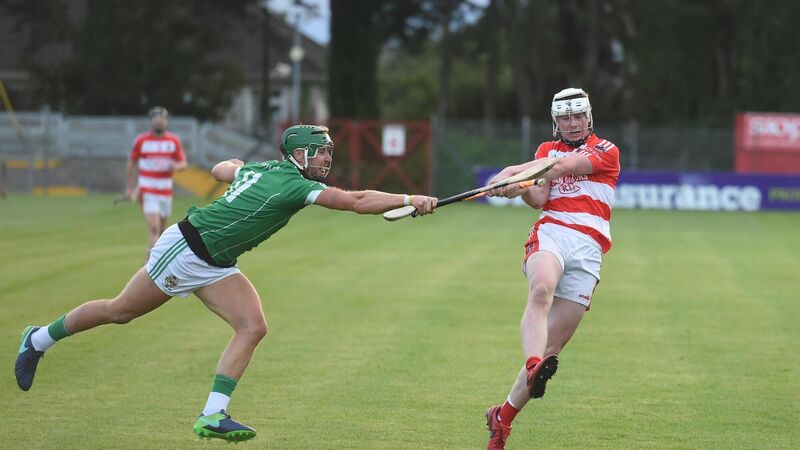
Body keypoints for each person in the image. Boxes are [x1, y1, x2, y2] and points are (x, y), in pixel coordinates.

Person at [15, 124, 438, 443]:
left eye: (328, 152)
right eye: (321, 152)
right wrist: (409, 198)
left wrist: (234, 169)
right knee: (120, 311)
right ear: (299, 154)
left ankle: (213, 415)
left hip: (217, 261)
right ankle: (38, 339)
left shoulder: (266, 168)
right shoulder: (293, 183)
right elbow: (355, 201)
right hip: (186, 249)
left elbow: (223, 168)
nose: (327, 159)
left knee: (253, 326)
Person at [483, 88, 620, 449]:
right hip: (552, 233)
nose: (573, 123)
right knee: (541, 289)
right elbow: (539, 196)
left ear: (589, 117)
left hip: (589, 248)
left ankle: (502, 419)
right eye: (565, 117)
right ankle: (532, 364)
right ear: (556, 121)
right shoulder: (545, 150)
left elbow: (559, 168)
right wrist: (519, 189)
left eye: (578, 116)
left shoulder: (606, 150)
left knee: (553, 347)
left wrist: (508, 174)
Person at [126, 106, 188, 254]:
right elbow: (131, 164)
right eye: (155, 119)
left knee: (161, 229)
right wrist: (130, 188)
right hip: (147, 189)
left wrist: (176, 166)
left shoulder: (173, 141)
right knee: (154, 227)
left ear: (166, 121)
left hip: (165, 190)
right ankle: (151, 261)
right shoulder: (142, 141)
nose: (158, 122)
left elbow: (183, 163)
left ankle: (153, 255)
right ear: (151, 122)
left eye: (161, 119)